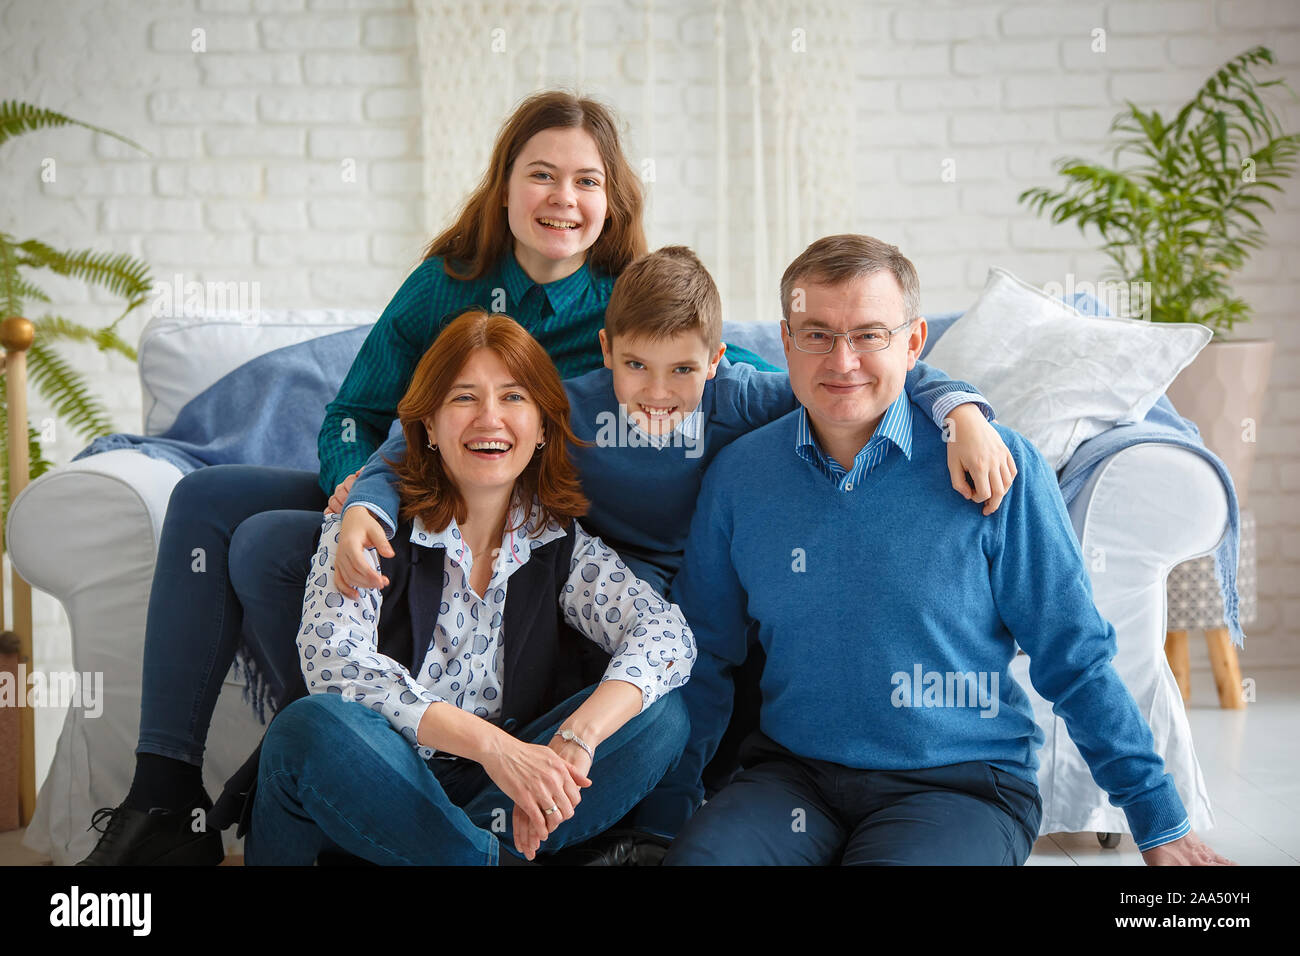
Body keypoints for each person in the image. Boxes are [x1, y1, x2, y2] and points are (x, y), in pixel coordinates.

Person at [329, 244, 1015, 857]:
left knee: (699, 653)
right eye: (636, 366)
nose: (657, 394)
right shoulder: (570, 409)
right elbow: (415, 440)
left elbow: (861, 380)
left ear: (716, 362)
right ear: (605, 352)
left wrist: (961, 412)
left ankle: (662, 826)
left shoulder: (742, 399)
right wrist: (366, 503)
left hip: (705, 578)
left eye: (682, 369)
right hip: (596, 570)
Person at [654, 234, 1235, 866]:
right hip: (793, 781)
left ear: (912, 342)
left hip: (959, 784)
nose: (842, 361)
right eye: (816, 334)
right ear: (786, 343)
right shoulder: (741, 477)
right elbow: (700, 656)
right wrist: (667, 819)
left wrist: (1159, 819)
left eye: (869, 335)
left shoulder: (996, 469)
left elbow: (1073, 655)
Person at [245, 309, 692, 865]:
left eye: (512, 397)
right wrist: (498, 749)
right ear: (428, 426)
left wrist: (576, 739)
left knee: (658, 716)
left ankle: (463, 852)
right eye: (463, 398)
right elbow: (334, 664)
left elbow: (665, 634)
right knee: (309, 727)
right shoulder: (370, 524)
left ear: (543, 427)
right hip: (367, 788)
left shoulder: (553, 539)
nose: (490, 418)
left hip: (483, 805)